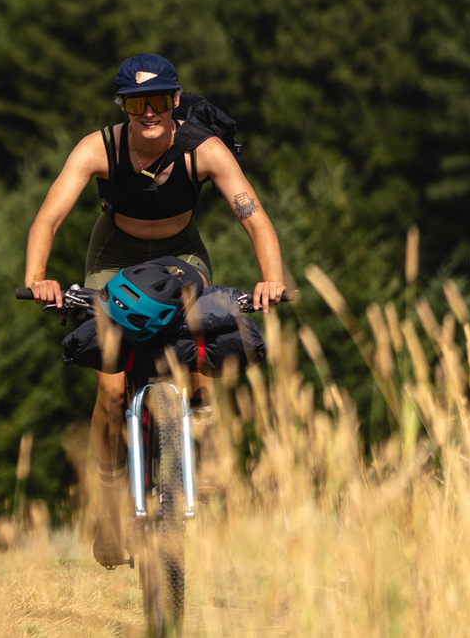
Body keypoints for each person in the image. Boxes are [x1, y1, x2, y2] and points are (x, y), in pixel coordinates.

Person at [22, 53, 288, 566]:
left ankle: (200, 443)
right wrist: (38, 279)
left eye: (161, 101)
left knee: (201, 341)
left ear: (175, 103)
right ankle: (106, 505)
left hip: (181, 256)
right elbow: (47, 219)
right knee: (113, 387)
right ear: (123, 106)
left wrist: (272, 282)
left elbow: (255, 218)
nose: (151, 113)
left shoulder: (202, 151)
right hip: (113, 258)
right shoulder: (97, 148)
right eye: (139, 103)